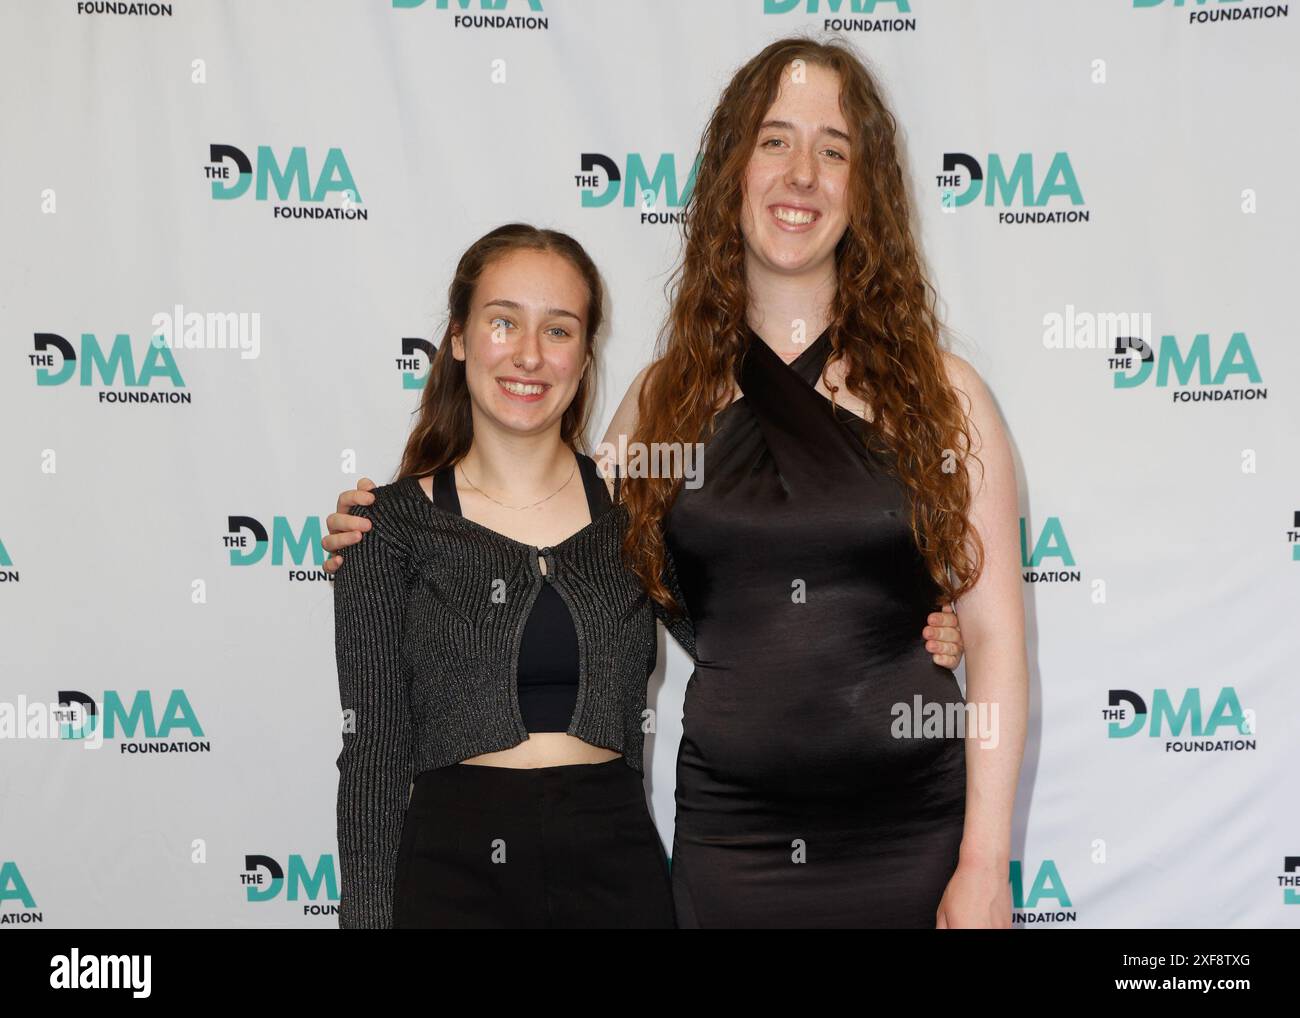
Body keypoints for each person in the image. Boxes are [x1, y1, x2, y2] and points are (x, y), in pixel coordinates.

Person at [608, 37, 1028, 928]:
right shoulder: (662, 401)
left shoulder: (944, 397)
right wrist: (402, 522)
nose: (802, 173)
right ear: (732, 171)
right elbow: (552, 545)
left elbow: (993, 644)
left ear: (863, 189)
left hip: (913, 838)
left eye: (833, 150)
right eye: (775, 140)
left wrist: (985, 863)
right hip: (732, 845)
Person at [332, 224, 676, 928]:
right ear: (457, 337)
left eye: (558, 330)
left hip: (616, 870)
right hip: (451, 876)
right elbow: (372, 753)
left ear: (585, 356)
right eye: (502, 321)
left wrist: (917, 630)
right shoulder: (384, 529)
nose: (528, 354)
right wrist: (365, 917)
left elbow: (749, 639)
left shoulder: (637, 520)